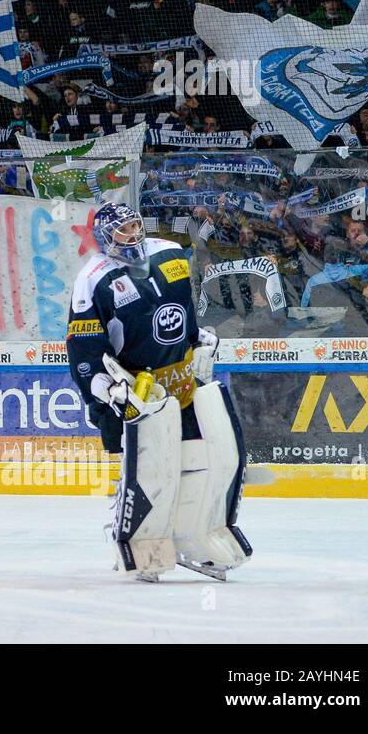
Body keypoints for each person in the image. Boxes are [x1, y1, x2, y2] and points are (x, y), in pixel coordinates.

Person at [66, 202, 251, 582]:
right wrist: (99, 387)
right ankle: (141, 542)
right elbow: (83, 344)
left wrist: (197, 337)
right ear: (104, 237)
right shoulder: (92, 278)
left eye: (135, 225)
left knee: (206, 460)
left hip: (183, 380)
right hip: (140, 391)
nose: (132, 234)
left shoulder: (168, 251)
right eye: (122, 230)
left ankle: (199, 534)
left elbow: (183, 306)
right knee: (154, 469)